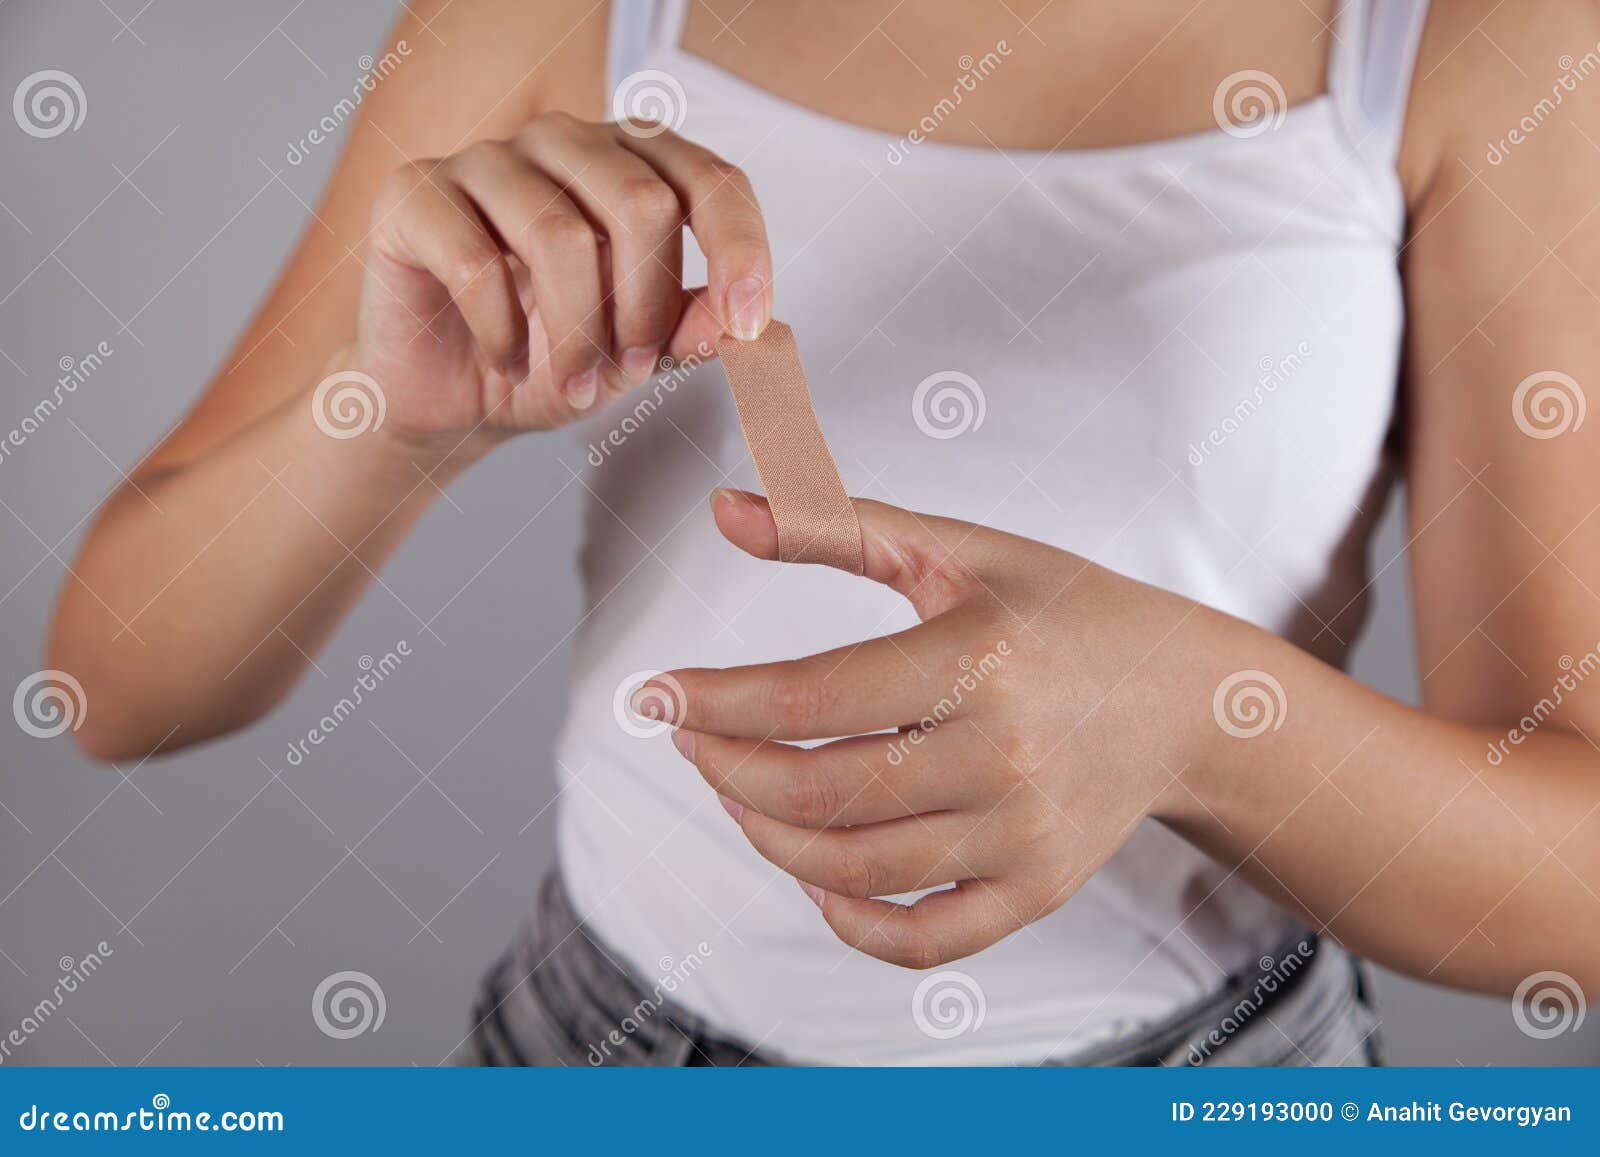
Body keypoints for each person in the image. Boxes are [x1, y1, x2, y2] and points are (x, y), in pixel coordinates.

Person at [48, 0, 1600, 1065]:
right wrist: (388, 428)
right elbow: (109, 687)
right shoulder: (555, 16)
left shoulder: (1476, 44)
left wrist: (1203, 728)